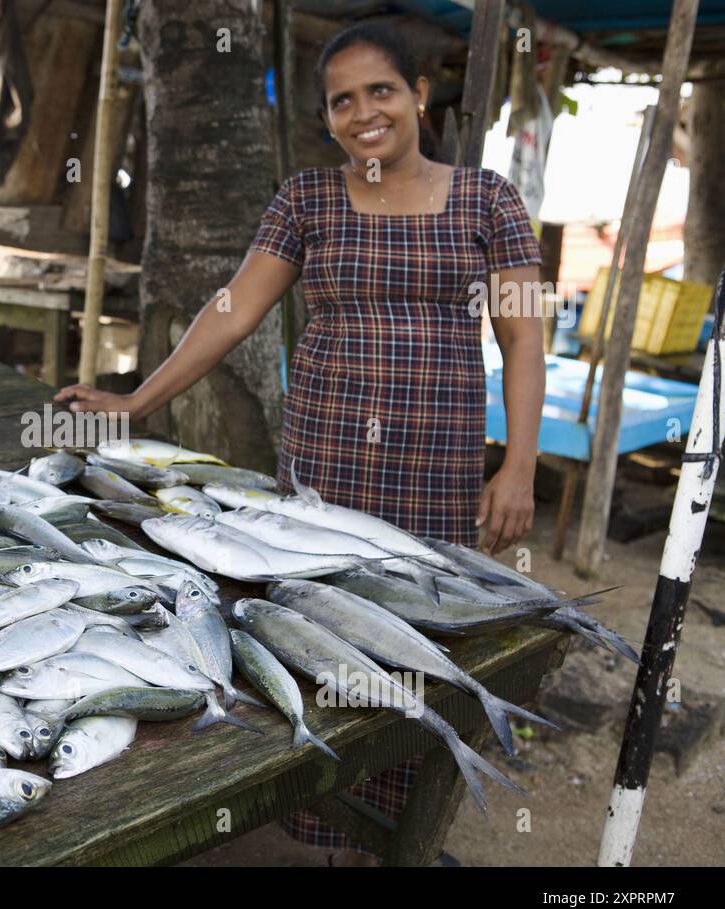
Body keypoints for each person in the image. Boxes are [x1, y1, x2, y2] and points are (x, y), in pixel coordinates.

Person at [56, 23, 545, 863]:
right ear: (326, 118)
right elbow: (231, 312)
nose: (364, 113)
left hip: (435, 469)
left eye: (381, 91)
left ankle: (397, 830)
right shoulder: (307, 200)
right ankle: (326, 827)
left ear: (419, 96)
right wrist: (137, 399)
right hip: (324, 469)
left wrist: (521, 466)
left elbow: (526, 339)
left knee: (418, 636)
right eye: (342, 101)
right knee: (319, 639)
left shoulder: (486, 198)